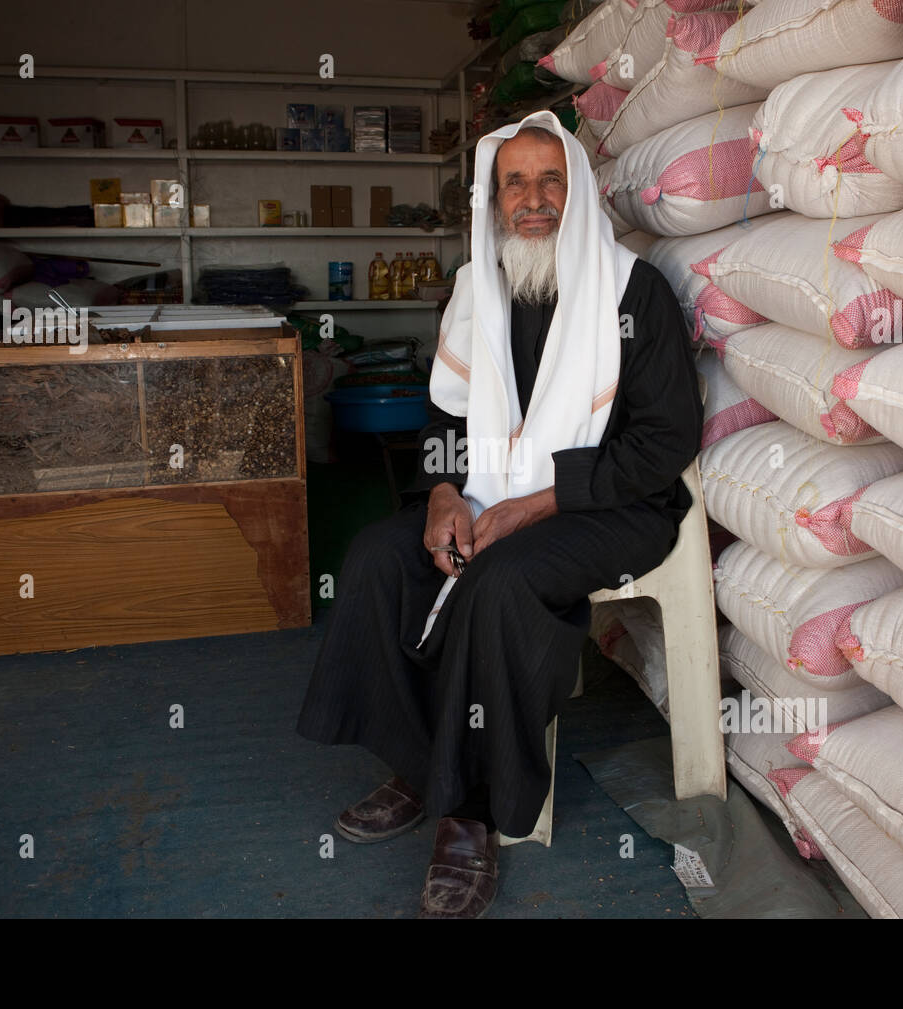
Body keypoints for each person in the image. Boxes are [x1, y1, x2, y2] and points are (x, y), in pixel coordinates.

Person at [296, 110, 702, 918]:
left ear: (577, 192)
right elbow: (446, 414)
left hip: (611, 501)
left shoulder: (633, 292)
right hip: (487, 490)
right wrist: (443, 495)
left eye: (551, 180)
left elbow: (663, 441)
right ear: (493, 198)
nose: (533, 199)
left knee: (501, 582)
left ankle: (472, 811)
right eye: (514, 182)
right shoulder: (478, 287)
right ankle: (424, 763)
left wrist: (538, 503)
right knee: (381, 555)